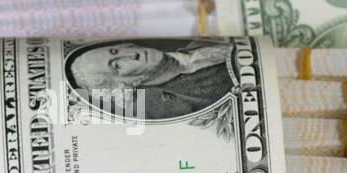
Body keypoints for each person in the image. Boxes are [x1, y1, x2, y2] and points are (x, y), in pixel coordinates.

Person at [65, 40, 234, 119]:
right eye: (118, 65)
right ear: (124, 84)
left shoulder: (183, 37)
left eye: (114, 52)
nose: (132, 55)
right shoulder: (187, 101)